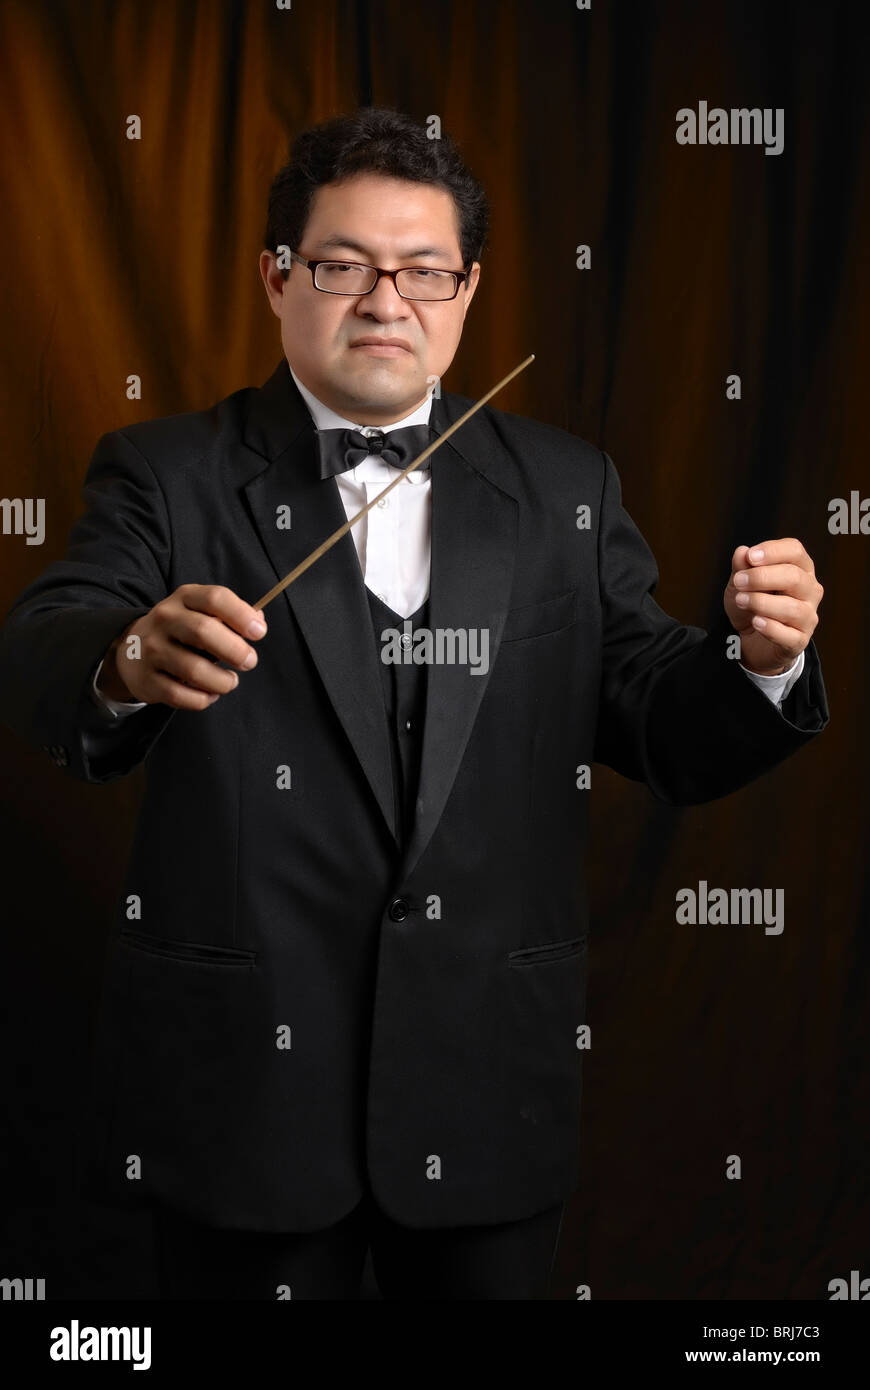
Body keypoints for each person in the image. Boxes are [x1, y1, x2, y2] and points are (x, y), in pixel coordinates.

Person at [0, 106, 828, 1300]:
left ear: (469, 289)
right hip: (245, 1104)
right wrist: (128, 656)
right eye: (343, 265)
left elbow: (660, 715)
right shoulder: (163, 470)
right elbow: (39, 646)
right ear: (278, 278)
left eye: (424, 270)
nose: (387, 300)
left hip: (492, 1085)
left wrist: (761, 659)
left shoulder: (565, 486)